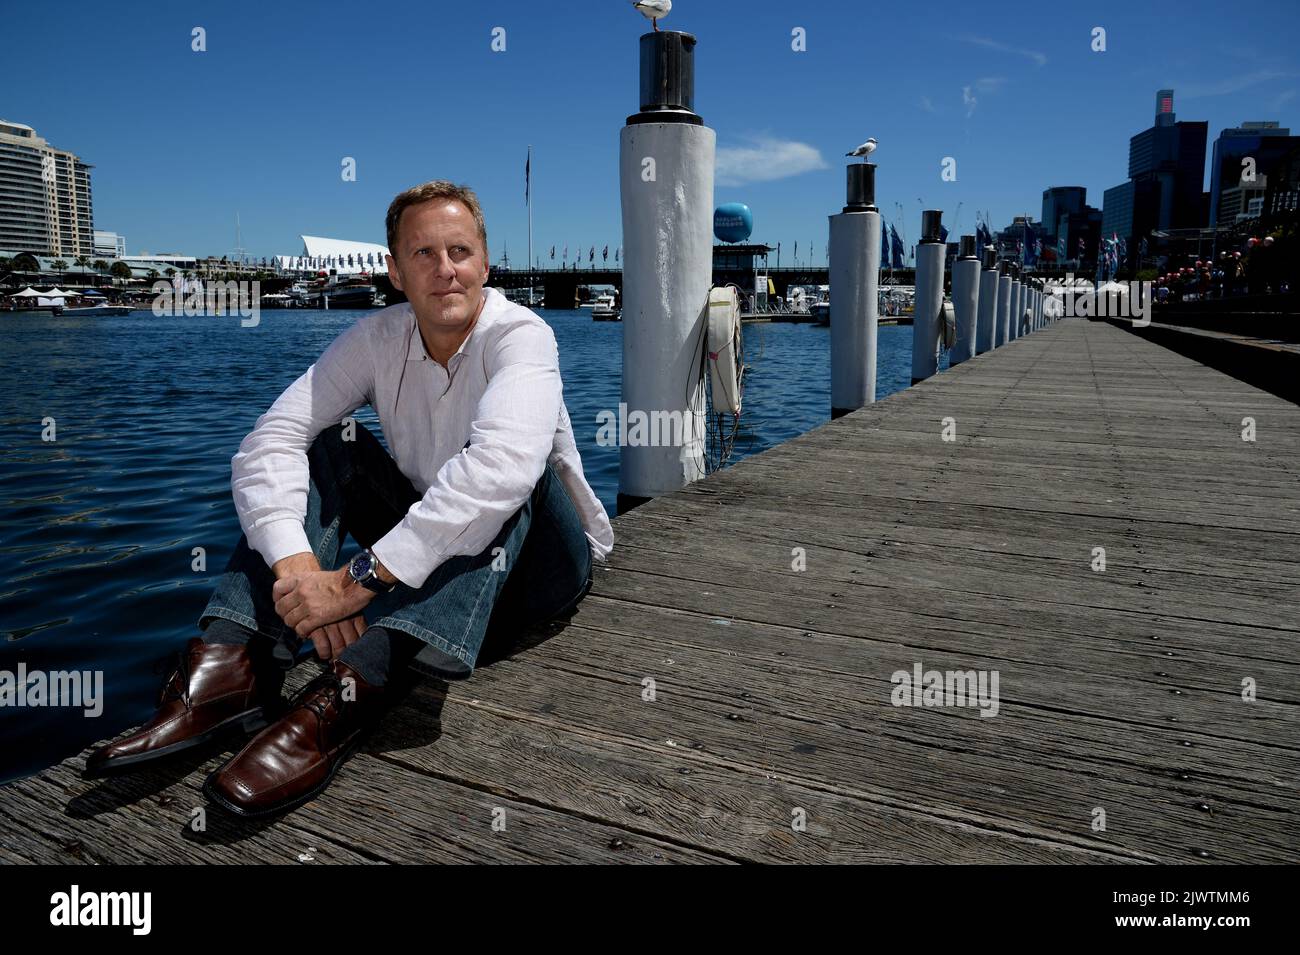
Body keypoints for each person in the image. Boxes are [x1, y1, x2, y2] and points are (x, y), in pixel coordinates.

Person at [84, 181, 615, 817]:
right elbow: (269, 440)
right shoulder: (375, 339)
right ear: (393, 272)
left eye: (460, 251)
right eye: (423, 254)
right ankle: (232, 667)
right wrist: (301, 568)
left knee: (507, 474)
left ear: (485, 263)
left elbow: (500, 471)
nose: (445, 270)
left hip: (541, 569)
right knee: (326, 441)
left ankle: (356, 685)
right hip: (437, 552)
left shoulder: (521, 336)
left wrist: (357, 582)